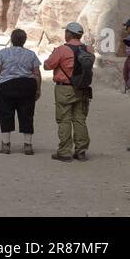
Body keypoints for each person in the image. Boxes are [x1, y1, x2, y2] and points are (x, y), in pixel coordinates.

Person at [43, 21, 93, 162]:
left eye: (66, 32)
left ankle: (64, 152)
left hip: (64, 88)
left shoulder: (62, 50)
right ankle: (81, 151)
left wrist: (53, 56)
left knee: (64, 120)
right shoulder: (88, 49)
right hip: (82, 89)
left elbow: (47, 66)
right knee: (80, 120)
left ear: (70, 34)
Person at [0, 28, 41, 155]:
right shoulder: (31, 54)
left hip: (6, 86)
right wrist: (38, 88)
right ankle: (28, 145)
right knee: (27, 114)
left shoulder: (3, 53)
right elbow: (36, 73)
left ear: (12, 40)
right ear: (24, 40)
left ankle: (6, 144)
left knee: (5, 113)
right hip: (26, 86)